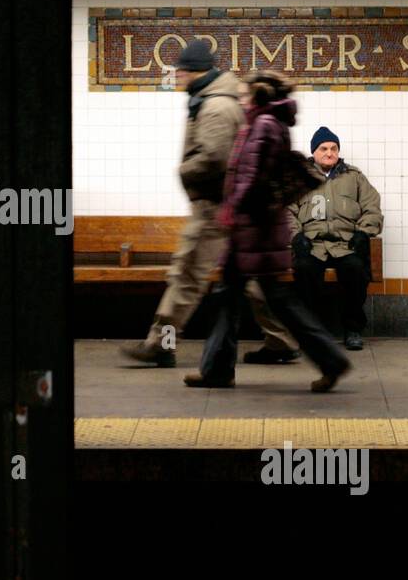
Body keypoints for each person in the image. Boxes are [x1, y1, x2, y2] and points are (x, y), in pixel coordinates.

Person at [120, 39, 299, 368]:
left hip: (214, 208)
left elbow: (214, 158)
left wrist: (183, 171)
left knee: (187, 276)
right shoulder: (217, 99)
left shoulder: (215, 105)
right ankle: (281, 340)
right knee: (249, 280)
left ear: (191, 72)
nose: (176, 78)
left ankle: (162, 343)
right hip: (229, 207)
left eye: (179, 72)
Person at [190, 71, 351, 392]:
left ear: (257, 95)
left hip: (256, 230)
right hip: (251, 230)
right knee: (227, 297)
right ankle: (217, 370)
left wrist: (231, 210)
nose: (240, 99)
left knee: (279, 303)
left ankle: (331, 361)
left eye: (244, 94)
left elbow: (250, 177)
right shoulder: (267, 122)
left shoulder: (263, 125)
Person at [289, 127, 384, 350]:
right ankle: (311, 332)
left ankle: (352, 329)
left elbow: (372, 208)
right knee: (304, 270)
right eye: (323, 149)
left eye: (334, 148)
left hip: (345, 244)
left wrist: (363, 232)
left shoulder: (354, 177)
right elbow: (286, 211)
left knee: (356, 271)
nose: (329, 153)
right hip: (313, 245)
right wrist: (296, 236)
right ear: (314, 152)